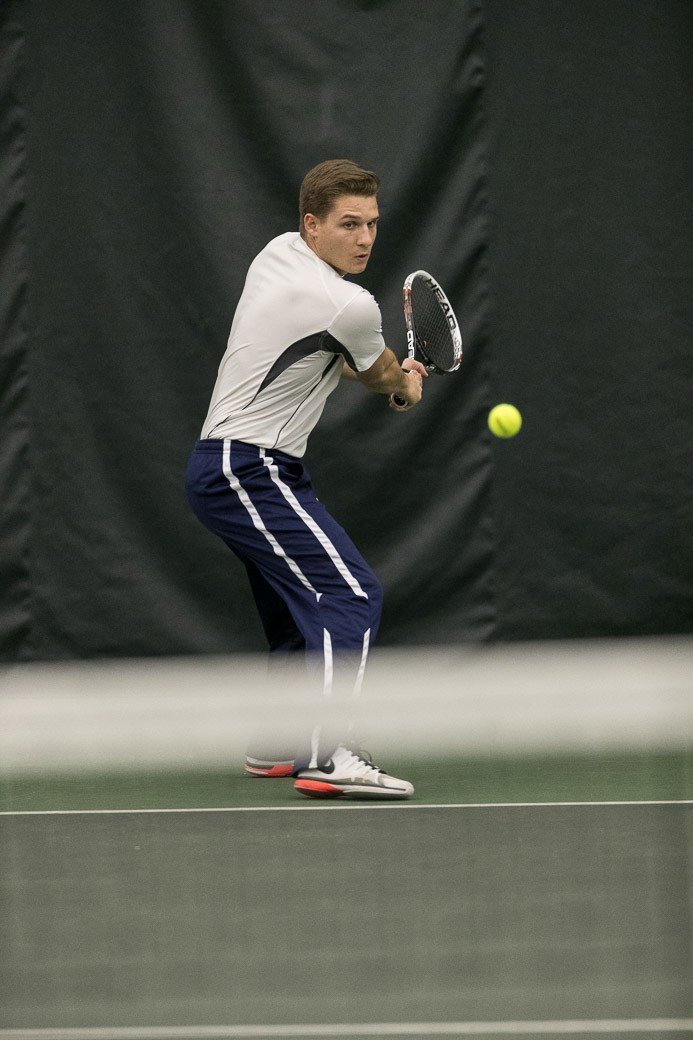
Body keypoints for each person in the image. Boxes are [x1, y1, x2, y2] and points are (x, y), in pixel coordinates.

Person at [186, 159, 427, 799]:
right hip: (249, 467)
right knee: (350, 596)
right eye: (349, 224)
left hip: (233, 468)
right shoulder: (349, 302)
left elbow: (327, 352)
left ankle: (278, 744)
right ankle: (330, 754)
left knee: (302, 609)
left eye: (373, 224)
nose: (365, 239)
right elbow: (375, 373)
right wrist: (403, 386)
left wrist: (387, 374)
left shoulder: (276, 256)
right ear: (312, 225)